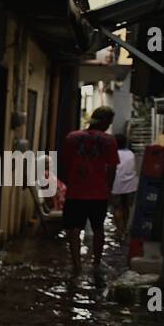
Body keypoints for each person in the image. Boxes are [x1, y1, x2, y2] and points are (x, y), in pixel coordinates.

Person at [58, 106, 119, 275]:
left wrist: (69, 181)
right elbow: (112, 168)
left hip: (76, 191)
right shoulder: (110, 141)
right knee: (98, 228)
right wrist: (109, 188)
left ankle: (76, 265)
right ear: (105, 121)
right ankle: (96, 263)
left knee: (74, 229)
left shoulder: (72, 137)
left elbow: (64, 162)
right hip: (99, 192)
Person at [111, 132, 138, 239]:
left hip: (116, 185)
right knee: (126, 207)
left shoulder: (113, 154)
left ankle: (118, 230)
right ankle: (125, 228)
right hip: (130, 185)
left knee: (117, 208)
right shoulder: (131, 154)